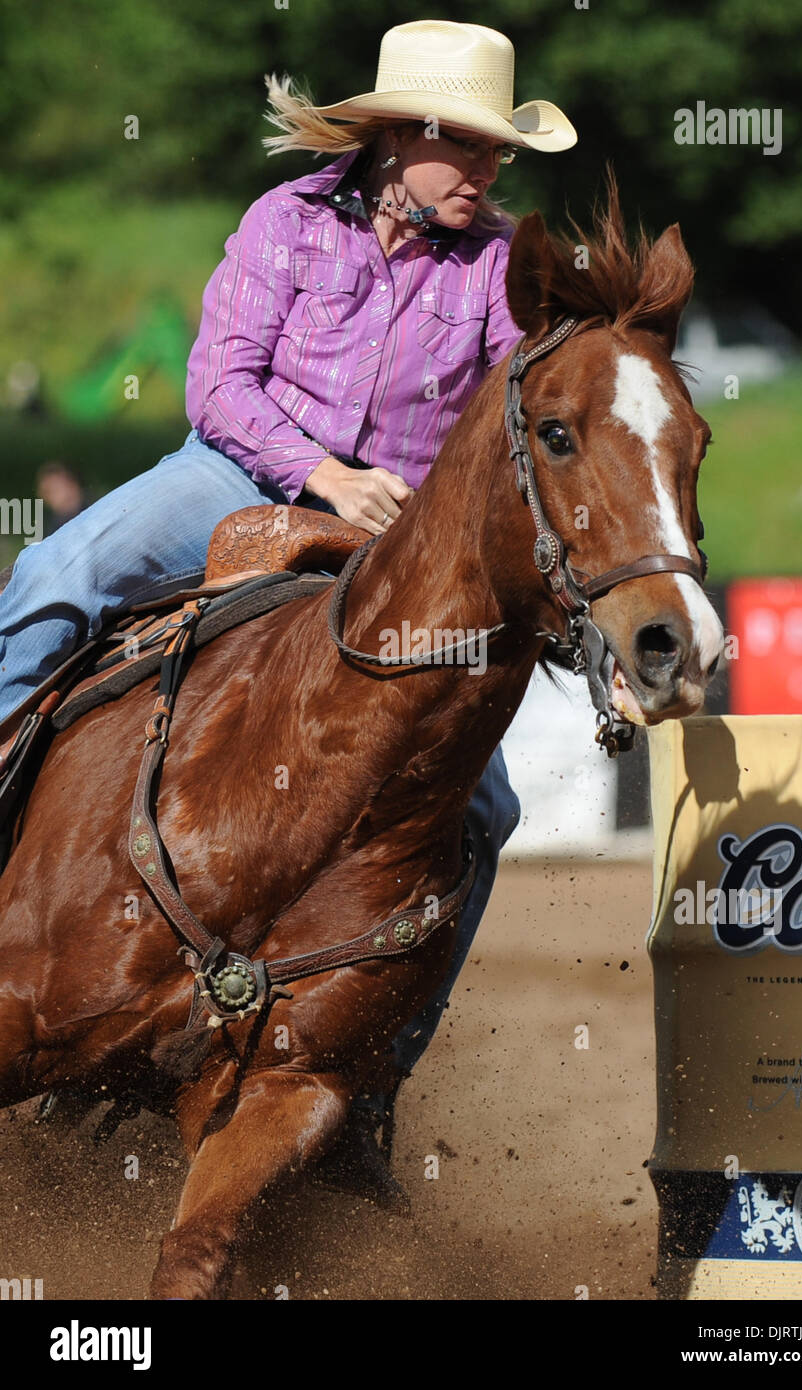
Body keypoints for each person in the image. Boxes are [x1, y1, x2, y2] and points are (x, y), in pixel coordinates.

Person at [0, 20, 577, 1202]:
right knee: (55, 577)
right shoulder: (288, 223)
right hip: (237, 475)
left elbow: (531, 404)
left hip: (398, 542)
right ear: (401, 138)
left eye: (495, 155)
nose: (483, 172)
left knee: (483, 806)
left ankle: (365, 1069)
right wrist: (322, 476)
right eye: (466, 148)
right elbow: (221, 386)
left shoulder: (497, 271)